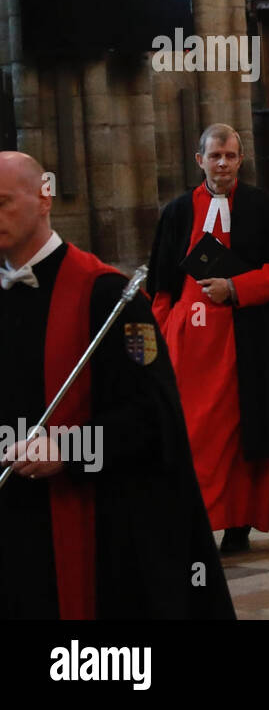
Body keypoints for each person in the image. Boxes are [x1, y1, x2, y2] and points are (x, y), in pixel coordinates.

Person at [0, 151, 234, 618]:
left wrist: (69, 450)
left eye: (2, 201)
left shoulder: (108, 296)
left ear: (45, 198)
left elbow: (154, 420)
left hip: (87, 528)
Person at [148, 124, 269, 554]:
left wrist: (235, 288)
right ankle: (196, 519)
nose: (223, 163)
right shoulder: (176, 212)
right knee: (193, 435)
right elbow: (160, 286)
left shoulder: (262, 207)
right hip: (189, 349)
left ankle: (237, 521)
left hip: (245, 344)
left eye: (230, 156)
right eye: (215, 156)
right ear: (200, 161)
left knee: (238, 434)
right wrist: (163, 336)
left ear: (240, 159)